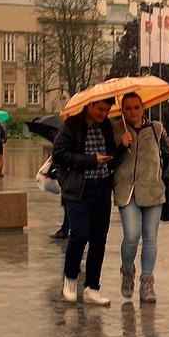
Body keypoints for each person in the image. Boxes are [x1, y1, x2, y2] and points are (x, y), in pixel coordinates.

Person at [52, 97, 120, 305]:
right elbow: (59, 155)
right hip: (78, 189)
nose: (103, 114)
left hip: (101, 188)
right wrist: (92, 160)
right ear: (89, 106)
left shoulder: (106, 125)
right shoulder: (72, 125)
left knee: (99, 239)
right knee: (80, 234)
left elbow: (113, 156)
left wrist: (121, 147)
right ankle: (70, 279)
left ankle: (93, 286)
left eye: (107, 110)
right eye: (100, 109)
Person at [112, 93, 169, 303]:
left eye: (136, 107)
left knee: (150, 237)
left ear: (143, 108)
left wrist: (163, 178)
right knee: (131, 235)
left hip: (153, 190)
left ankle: (147, 282)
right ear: (122, 110)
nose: (132, 112)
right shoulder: (116, 130)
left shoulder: (156, 129)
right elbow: (110, 162)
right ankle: (127, 270)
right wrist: (121, 145)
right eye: (127, 108)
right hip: (127, 190)